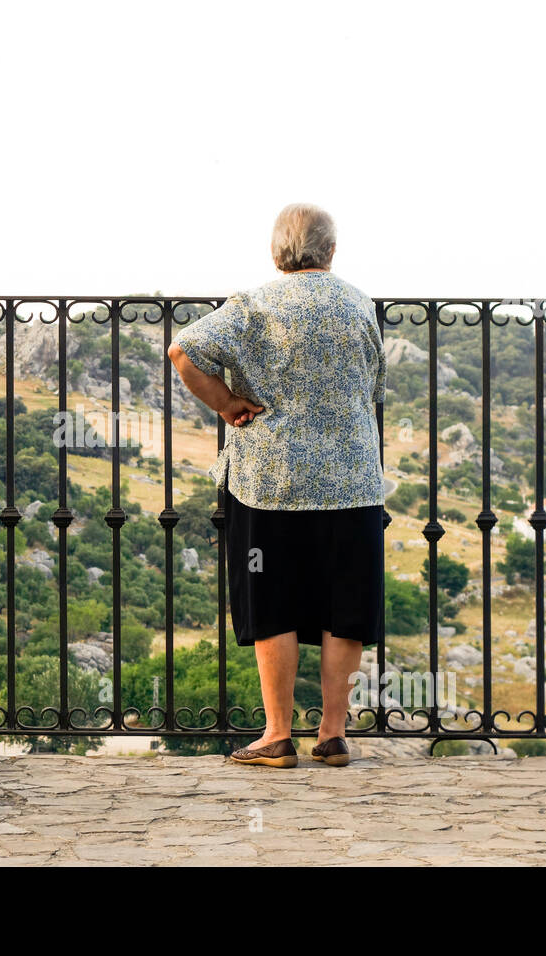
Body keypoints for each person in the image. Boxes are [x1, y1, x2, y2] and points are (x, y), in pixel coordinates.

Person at [167, 202, 386, 769]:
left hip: (271, 480)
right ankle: (333, 734)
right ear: (331, 252)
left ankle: (277, 735)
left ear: (275, 252)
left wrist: (227, 404)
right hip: (352, 479)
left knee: (274, 604)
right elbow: (376, 382)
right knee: (345, 606)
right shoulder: (358, 302)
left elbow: (182, 350)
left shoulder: (255, 303)